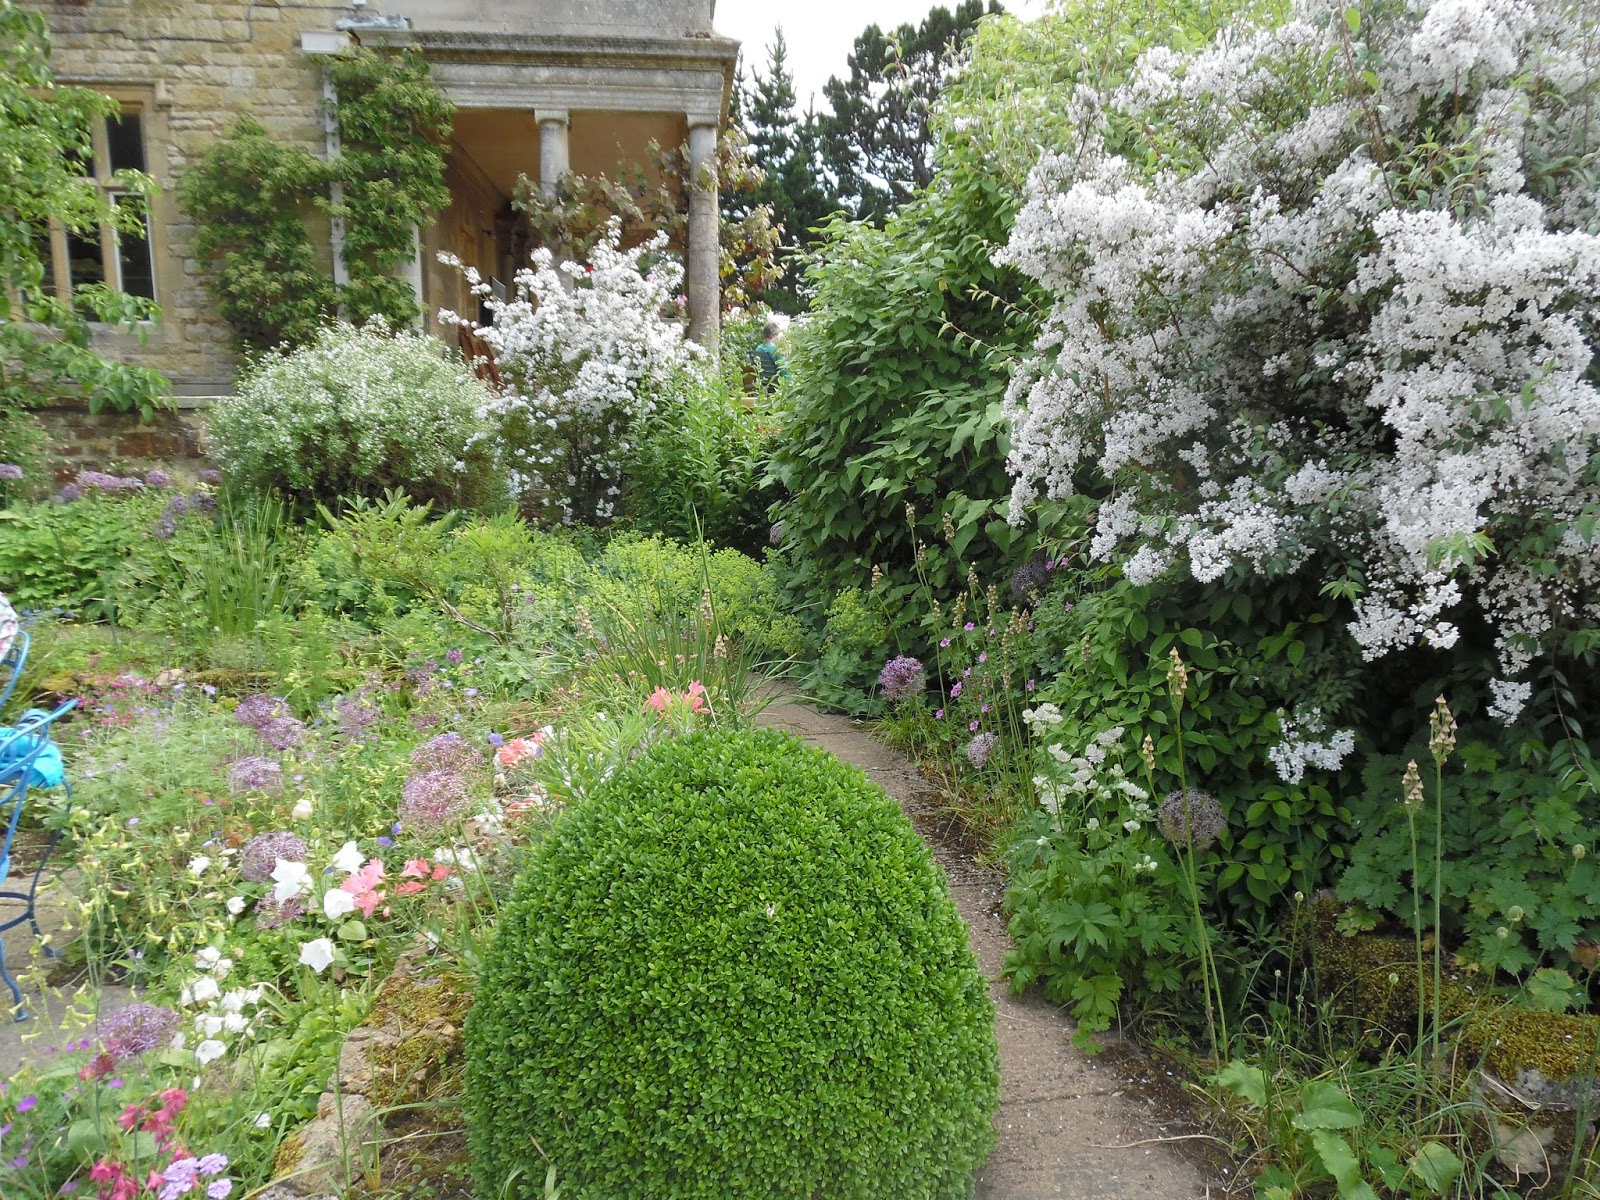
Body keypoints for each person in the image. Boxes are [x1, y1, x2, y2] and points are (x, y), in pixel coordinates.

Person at [753, 320, 788, 394]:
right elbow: (784, 369)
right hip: (775, 384)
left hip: (763, 383)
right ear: (775, 335)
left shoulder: (758, 349)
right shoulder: (776, 350)